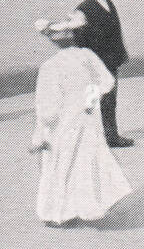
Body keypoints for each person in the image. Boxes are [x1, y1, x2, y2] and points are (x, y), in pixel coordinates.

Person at [30, 17, 132, 227]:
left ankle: (61, 213)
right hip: (86, 119)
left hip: (63, 124)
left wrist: (42, 132)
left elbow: (47, 107)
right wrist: (89, 102)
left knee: (62, 166)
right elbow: (106, 81)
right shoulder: (87, 56)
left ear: (53, 41)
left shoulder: (50, 66)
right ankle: (89, 206)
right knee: (86, 163)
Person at [72, 0, 132, 147]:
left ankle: (111, 137)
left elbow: (116, 32)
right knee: (92, 102)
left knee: (109, 100)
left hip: (111, 61)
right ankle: (88, 139)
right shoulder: (83, 9)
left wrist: (122, 53)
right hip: (94, 64)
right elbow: (78, 39)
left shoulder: (109, 4)